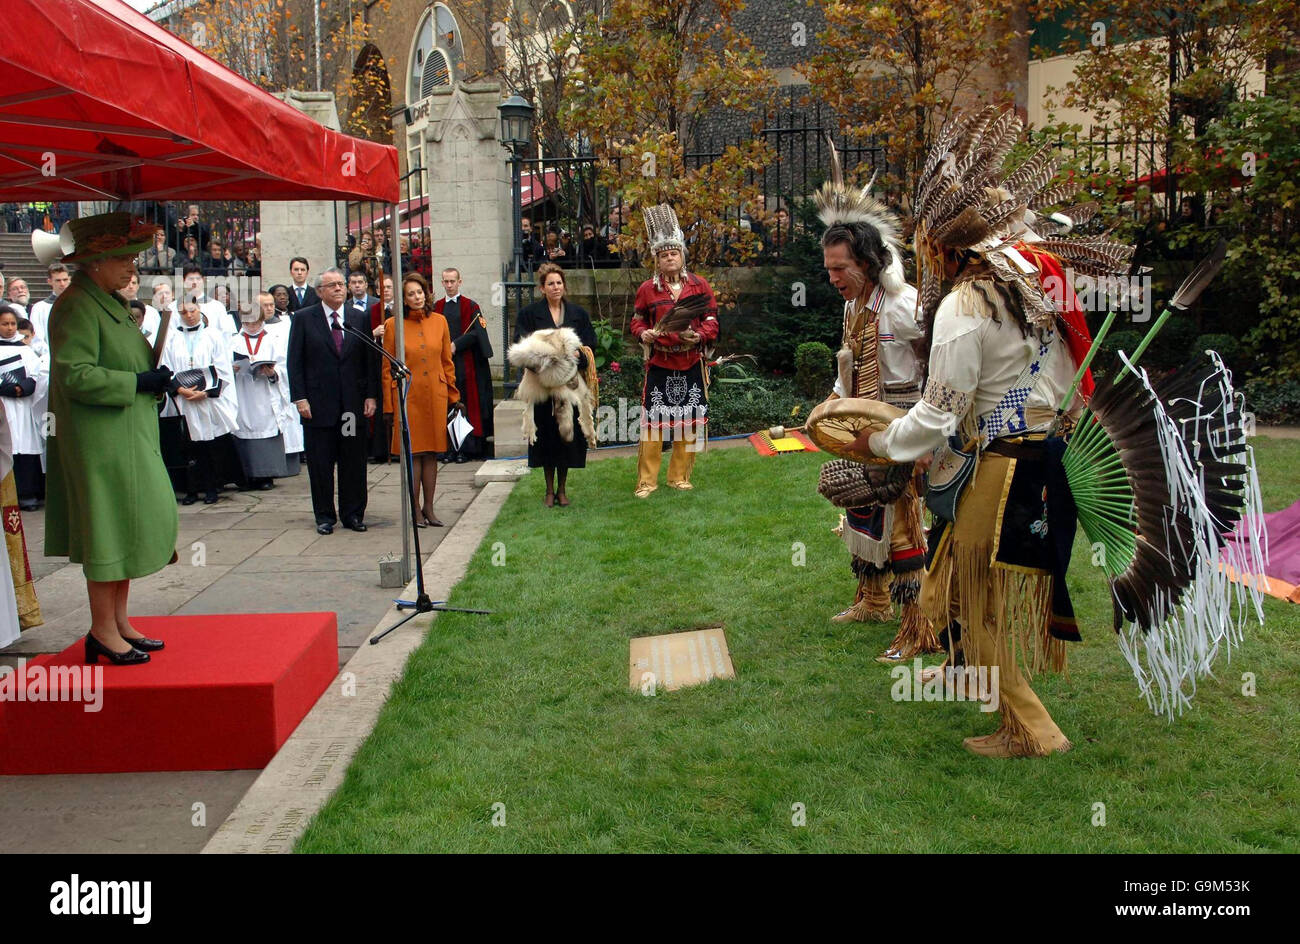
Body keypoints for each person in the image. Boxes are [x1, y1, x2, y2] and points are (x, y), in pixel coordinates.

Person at [856, 108, 1106, 757]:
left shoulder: (966, 306)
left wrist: (877, 444)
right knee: (969, 598)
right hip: (1038, 460)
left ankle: (1033, 731)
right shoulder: (1027, 293)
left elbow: (937, 414)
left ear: (943, 244)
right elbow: (1060, 384)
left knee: (970, 596)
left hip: (1001, 470)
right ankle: (987, 693)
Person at [814, 157, 939, 665]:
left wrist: (930, 438)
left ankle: (920, 628)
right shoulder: (852, 308)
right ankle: (873, 601)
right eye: (827, 270)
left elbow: (943, 362)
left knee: (907, 528)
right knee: (862, 515)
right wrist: (831, 403)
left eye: (840, 269)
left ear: (866, 262)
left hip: (905, 429)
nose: (833, 279)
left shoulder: (902, 305)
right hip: (863, 431)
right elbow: (852, 366)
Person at [44, 212, 177, 665]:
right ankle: (102, 630)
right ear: (96, 261)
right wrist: (135, 383)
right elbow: (74, 375)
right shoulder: (77, 305)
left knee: (125, 526)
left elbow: (124, 361)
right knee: (106, 532)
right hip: (99, 440)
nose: (131, 268)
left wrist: (152, 379)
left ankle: (118, 622)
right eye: (123, 258)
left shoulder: (107, 301)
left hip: (125, 433)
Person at [630, 204, 719, 497]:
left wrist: (701, 336)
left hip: (691, 360)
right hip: (661, 362)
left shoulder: (699, 285)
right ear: (657, 260)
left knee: (689, 422)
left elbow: (712, 320)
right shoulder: (647, 289)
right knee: (654, 425)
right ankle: (647, 481)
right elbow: (637, 320)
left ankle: (679, 477)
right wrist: (644, 333)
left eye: (674, 253)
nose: (670, 258)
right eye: (664, 254)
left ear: (682, 256)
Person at [287, 267, 379, 534]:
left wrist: (371, 395)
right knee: (321, 463)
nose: (339, 289)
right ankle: (325, 516)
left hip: (351, 405)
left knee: (353, 462)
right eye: (333, 285)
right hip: (318, 406)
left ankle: (353, 514)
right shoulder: (304, 319)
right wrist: (300, 398)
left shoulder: (357, 318)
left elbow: (368, 360)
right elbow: (295, 362)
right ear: (320, 291)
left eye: (342, 284)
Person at [381, 273, 460, 527]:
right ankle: (414, 508)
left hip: (434, 395)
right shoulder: (394, 325)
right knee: (414, 452)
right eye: (411, 294)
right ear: (403, 299)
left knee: (432, 453)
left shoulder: (440, 321)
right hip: (409, 395)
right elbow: (387, 367)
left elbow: (447, 361)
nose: (417, 297)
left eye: (420, 292)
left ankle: (429, 506)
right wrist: (389, 404)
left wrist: (453, 395)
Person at [514, 263, 596, 507]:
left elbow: (591, 344)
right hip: (541, 385)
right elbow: (521, 346)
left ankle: (562, 489)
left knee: (566, 438)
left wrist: (577, 358)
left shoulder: (578, 314)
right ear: (542, 288)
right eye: (550, 283)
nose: (555, 287)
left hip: (569, 385)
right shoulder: (529, 314)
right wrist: (544, 363)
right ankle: (549, 490)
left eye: (559, 283)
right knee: (547, 437)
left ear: (564, 286)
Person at [159, 296, 240, 505]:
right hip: (183, 400)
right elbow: (166, 368)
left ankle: (211, 488)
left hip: (206, 399)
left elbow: (222, 367)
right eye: (184, 312)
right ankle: (191, 490)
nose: (189, 315)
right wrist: (179, 389)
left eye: (192, 311)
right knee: (187, 446)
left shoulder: (214, 336)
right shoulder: (172, 339)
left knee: (208, 444)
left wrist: (206, 392)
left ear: (199, 310)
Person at [434, 268, 493, 461]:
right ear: (442, 283)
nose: (449, 285)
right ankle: (448, 448)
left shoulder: (471, 306)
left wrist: (456, 345)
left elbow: (478, 333)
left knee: (465, 404)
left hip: (466, 365)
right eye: (446, 281)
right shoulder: (437, 307)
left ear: (460, 282)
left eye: (453, 281)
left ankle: (466, 449)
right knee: (447, 405)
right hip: (443, 365)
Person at [230, 303, 288, 489]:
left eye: (256, 322)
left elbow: (284, 364)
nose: (252, 326)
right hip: (243, 391)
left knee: (267, 426)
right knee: (242, 427)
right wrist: (232, 369)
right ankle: (246, 475)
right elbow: (223, 364)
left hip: (265, 391)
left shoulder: (273, 339)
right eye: (247, 322)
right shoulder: (233, 341)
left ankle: (266, 475)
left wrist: (272, 372)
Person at [0, 307, 47, 510]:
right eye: (4, 324)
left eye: (12, 324)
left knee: (27, 447)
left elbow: (39, 374)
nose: (10, 328)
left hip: (25, 408)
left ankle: (28, 493)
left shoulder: (26, 350)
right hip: (4, 407)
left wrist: (26, 386)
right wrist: (9, 388)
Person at [258, 290, 303, 476]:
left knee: (288, 423)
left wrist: (276, 371)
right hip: (259, 388)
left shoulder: (285, 326)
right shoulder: (250, 328)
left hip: (282, 380)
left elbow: (290, 355)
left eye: (271, 305)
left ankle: (291, 463)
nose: (269, 309)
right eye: (264, 305)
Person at [367, 276, 395, 463]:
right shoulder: (371, 311)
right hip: (379, 364)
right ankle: (381, 449)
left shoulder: (401, 310)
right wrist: (374, 334)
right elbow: (362, 339)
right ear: (377, 291)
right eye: (381, 288)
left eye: (388, 287)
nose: (385, 290)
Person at [29, 263, 71, 348]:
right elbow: (37, 339)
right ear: (49, 281)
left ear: (70, 279)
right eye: (58, 280)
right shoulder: (39, 308)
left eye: (65, 279)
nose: (62, 284)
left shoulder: (79, 304)